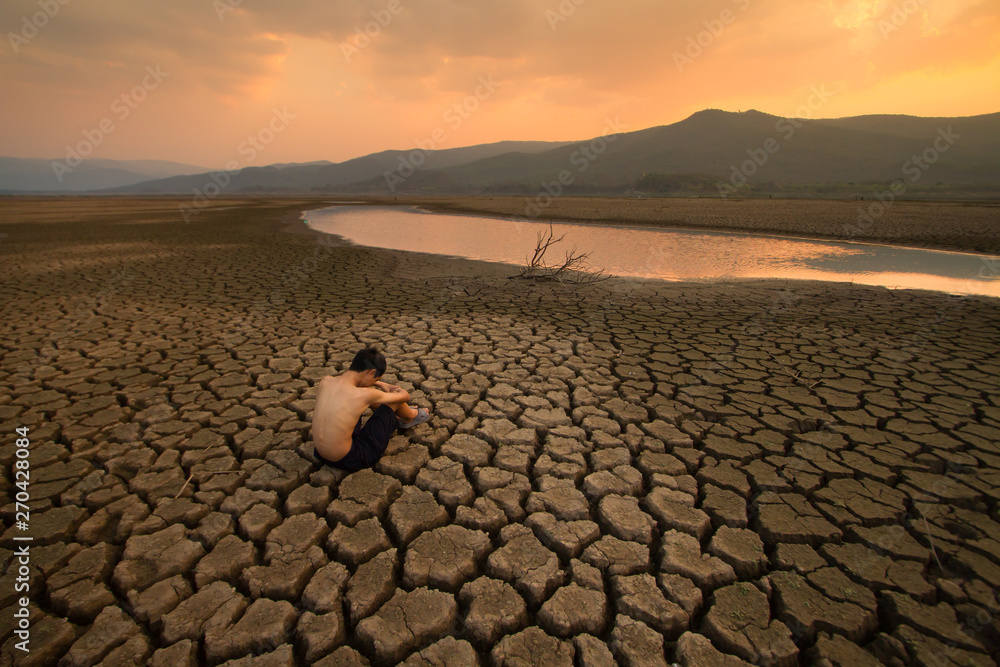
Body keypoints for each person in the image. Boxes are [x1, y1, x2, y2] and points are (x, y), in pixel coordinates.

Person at [311, 347, 431, 472]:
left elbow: (358, 384)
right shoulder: (364, 394)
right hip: (351, 459)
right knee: (394, 402)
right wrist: (389, 387)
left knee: (368, 400)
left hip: (320, 454)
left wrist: (378, 383)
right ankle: (411, 415)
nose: (375, 382)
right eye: (376, 379)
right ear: (371, 372)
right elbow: (404, 396)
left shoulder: (326, 381)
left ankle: (398, 415)